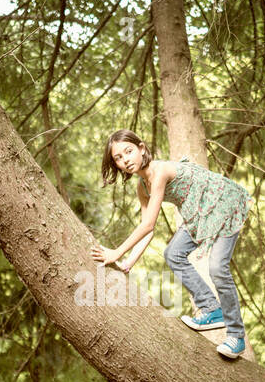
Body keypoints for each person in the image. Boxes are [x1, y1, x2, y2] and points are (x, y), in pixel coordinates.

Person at [89, 128, 251, 359]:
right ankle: (212, 309)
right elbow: (148, 230)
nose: (125, 159)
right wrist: (127, 263)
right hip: (197, 213)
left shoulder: (161, 171)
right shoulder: (142, 187)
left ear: (141, 148)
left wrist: (115, 253)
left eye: (129, 151)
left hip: (222, 203)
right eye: (119, 158)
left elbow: (148, 225)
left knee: (217, 267)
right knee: (173, 253)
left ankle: (236, 335)